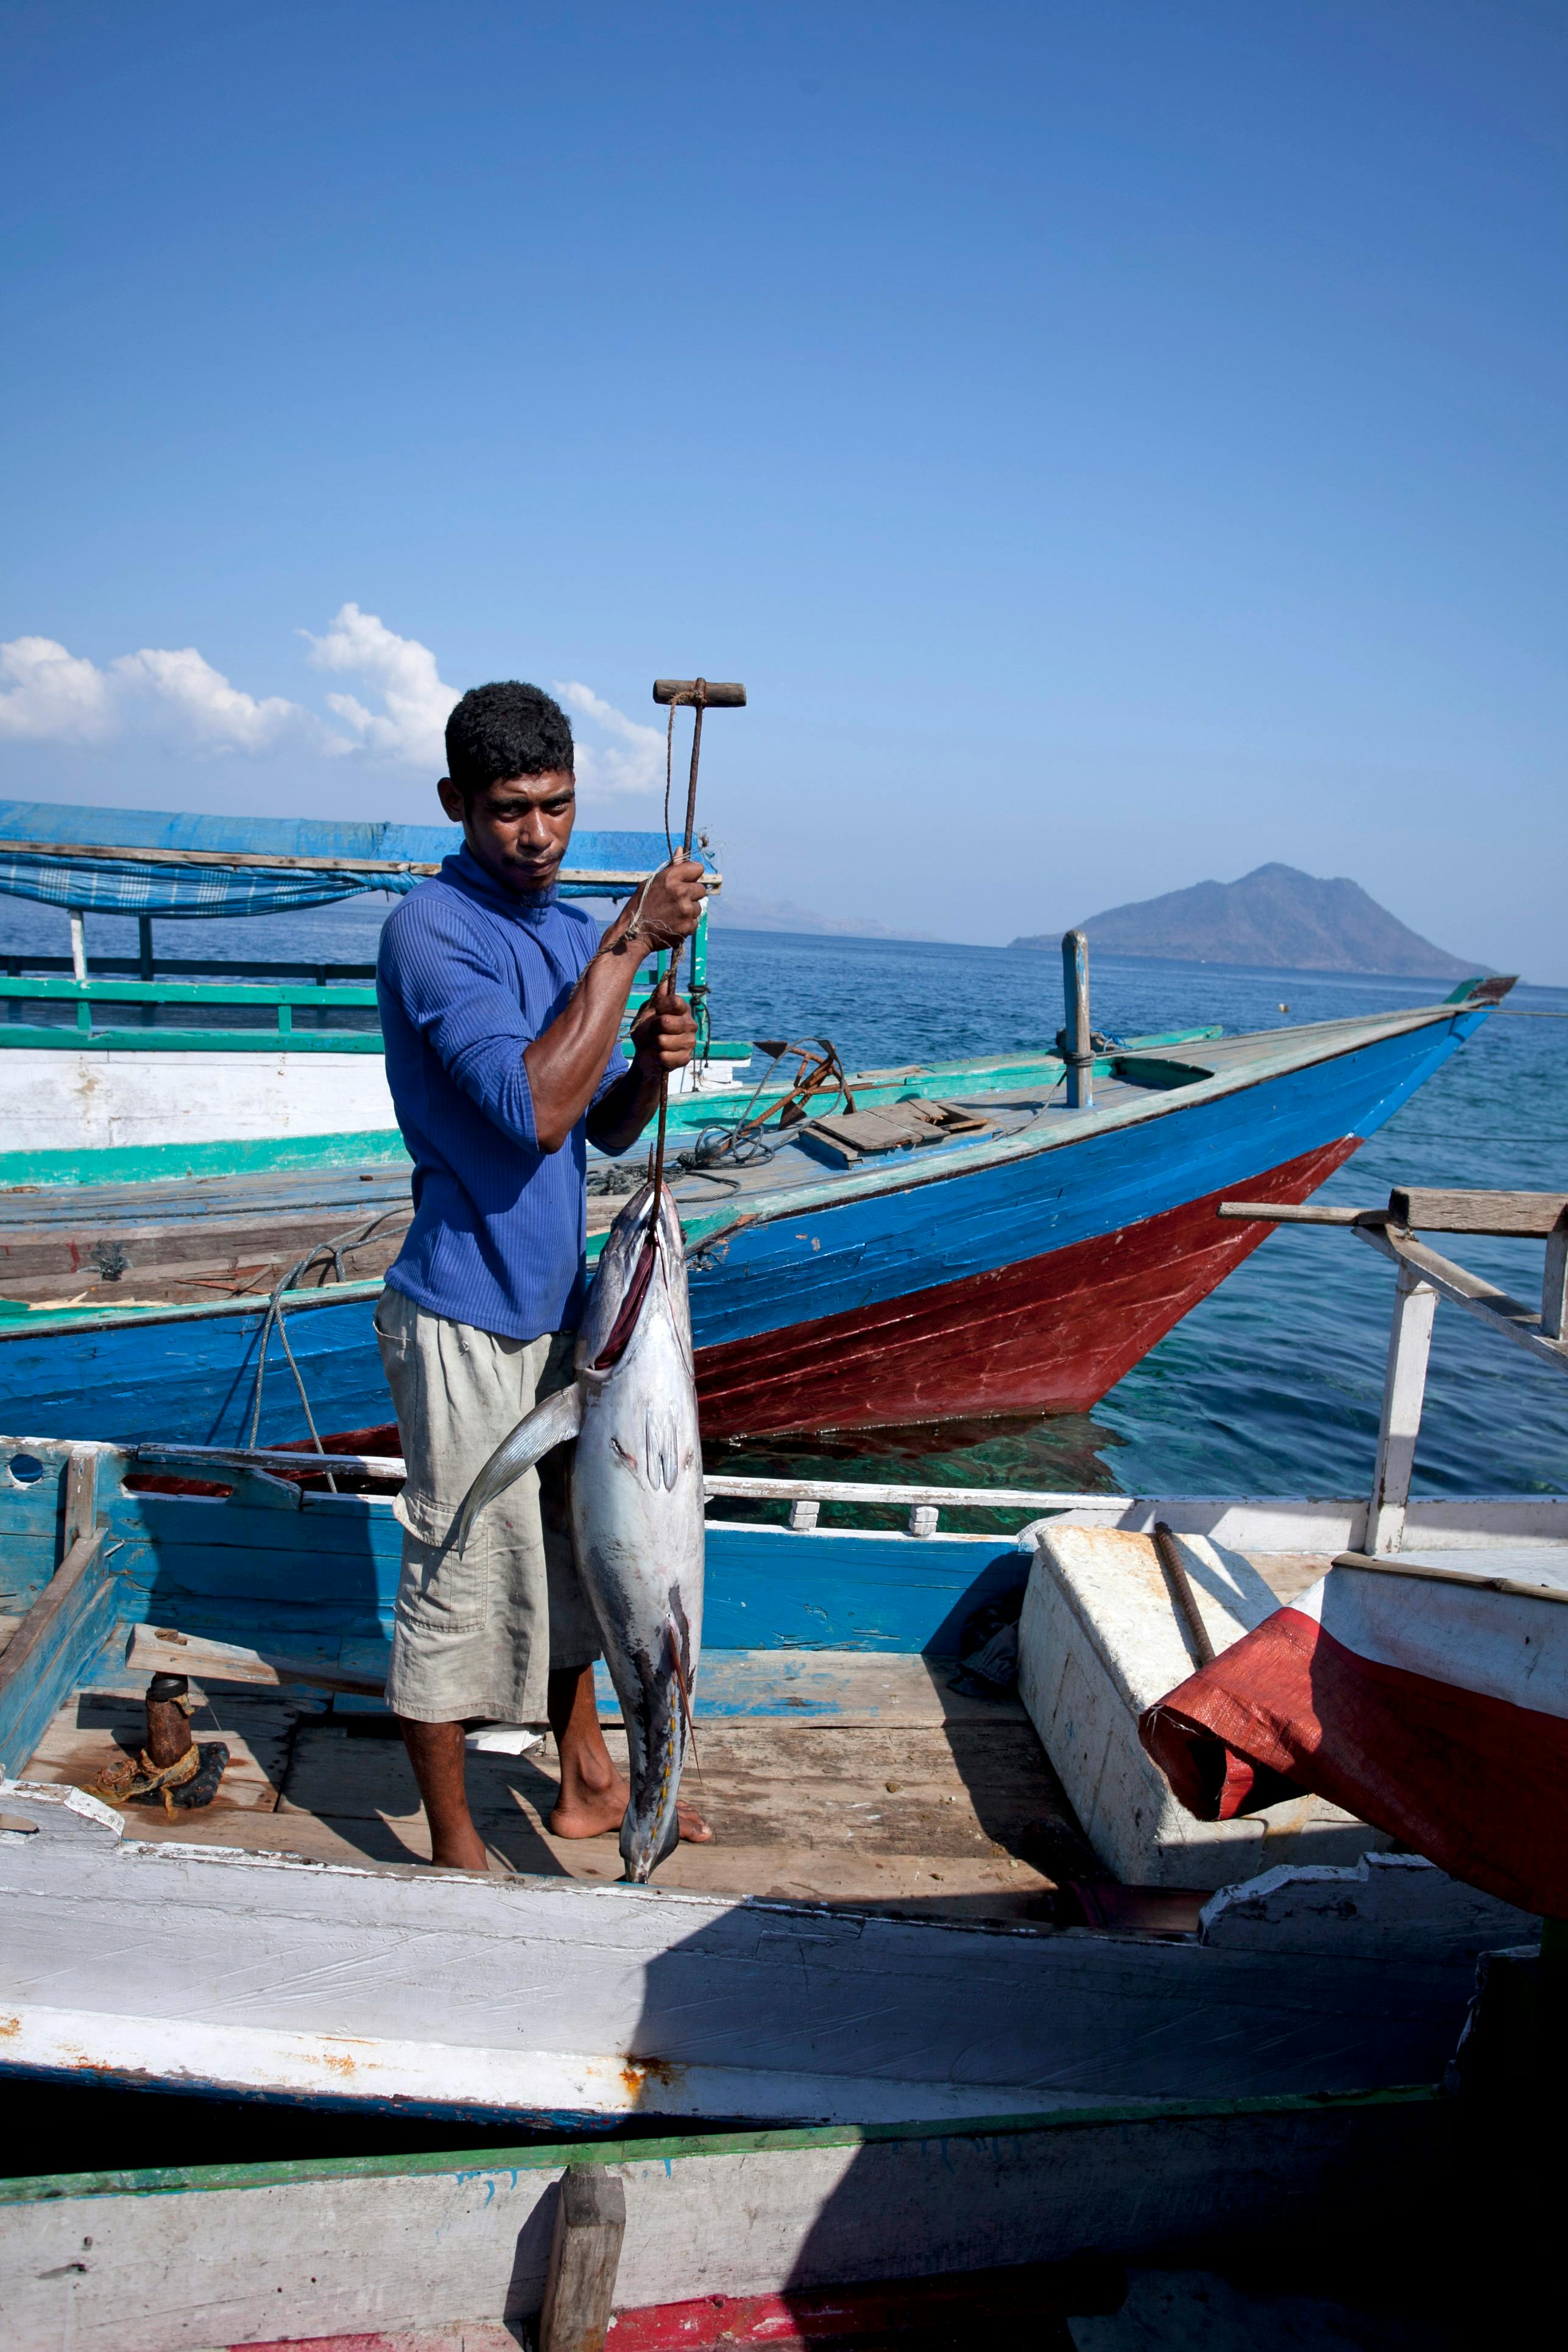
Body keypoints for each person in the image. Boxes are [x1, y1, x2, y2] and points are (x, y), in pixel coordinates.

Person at [374, 679, 713, 1871]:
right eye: (512, 810)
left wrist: (653, 1068)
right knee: (455, 1568)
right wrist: (633, 936)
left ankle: (587, 1783)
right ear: (457, 803)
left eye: (559, 806)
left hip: (563, 1317)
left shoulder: (573, 931)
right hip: (463, 1314)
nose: (539, 835)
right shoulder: (433, 931)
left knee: (582, 1559)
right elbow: (530, 1109)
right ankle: (455, 1838)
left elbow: (600, 1126)